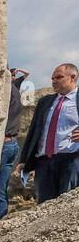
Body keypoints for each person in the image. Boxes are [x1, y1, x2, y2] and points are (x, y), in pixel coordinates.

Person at [15, 63, 79, 205]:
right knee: (44, 206)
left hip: (70, 161)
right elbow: (34, 131)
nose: (54, 81)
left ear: (73, 77)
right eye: (52, 78)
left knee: (67, 205)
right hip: (43, 163)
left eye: (59, 77)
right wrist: (24, 159)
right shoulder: (45, 101)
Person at [0, 69, 27, 219]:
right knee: (1, 188)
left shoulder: (7, 90)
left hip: (4, 145)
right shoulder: (15, 90)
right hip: (12, 145)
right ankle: (0, 222)